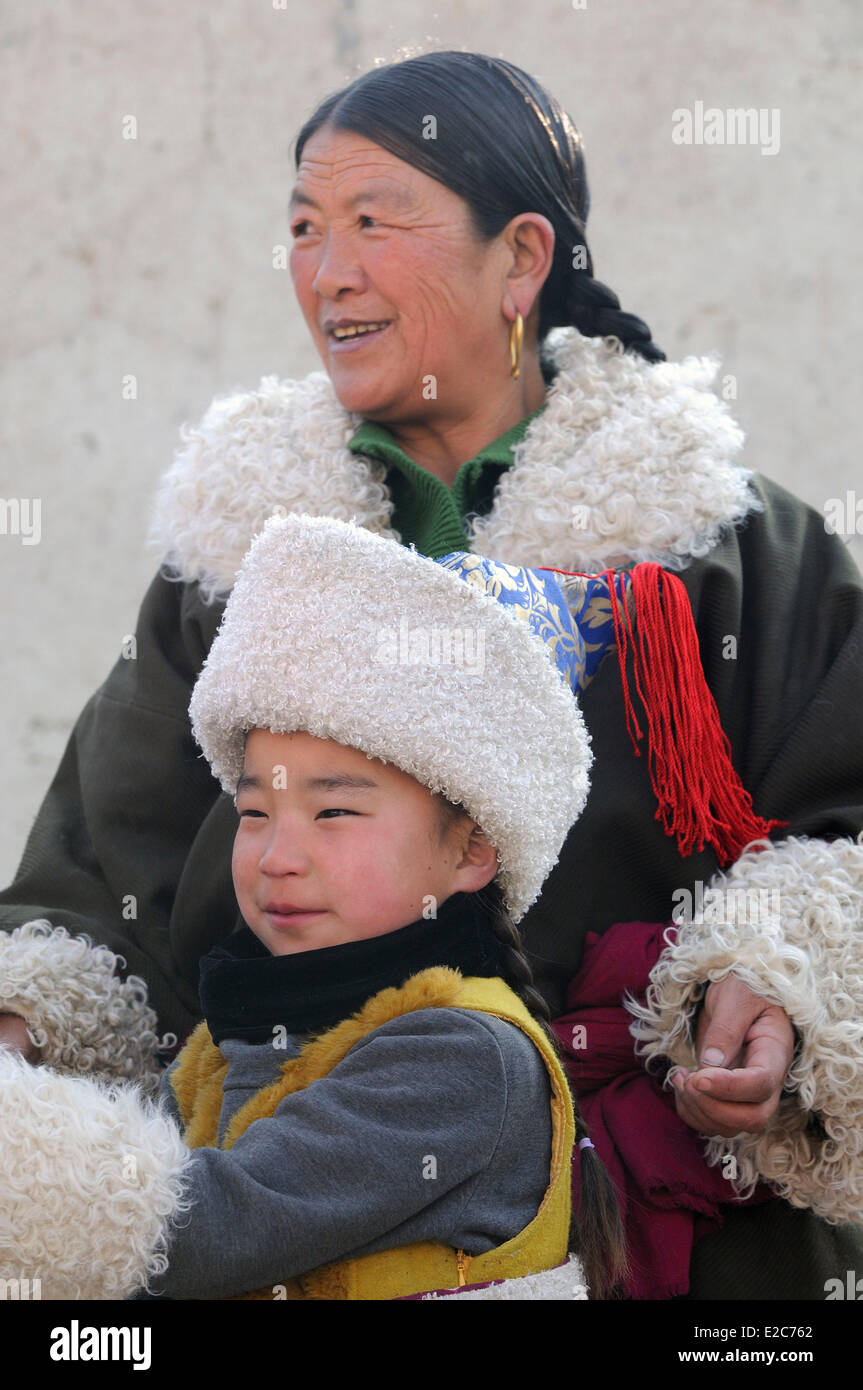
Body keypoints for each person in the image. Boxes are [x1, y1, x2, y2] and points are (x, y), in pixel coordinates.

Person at [2, 50, 862, 1300]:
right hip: (285, 1201)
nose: (326, 270)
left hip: (668, 1242)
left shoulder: (726, 554)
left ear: (519, 258)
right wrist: (32, 1029)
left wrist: (782, 976)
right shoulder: (243, 556)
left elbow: (846, 828)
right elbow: (100, 873)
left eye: (370, 221)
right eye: (302, 228)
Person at [1, 511, 632, 1301]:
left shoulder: (462, 1056)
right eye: (254, 810)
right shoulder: (223, 1040)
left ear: (472, 851)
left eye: (333, 813)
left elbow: (198, 1233)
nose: (276, 856)